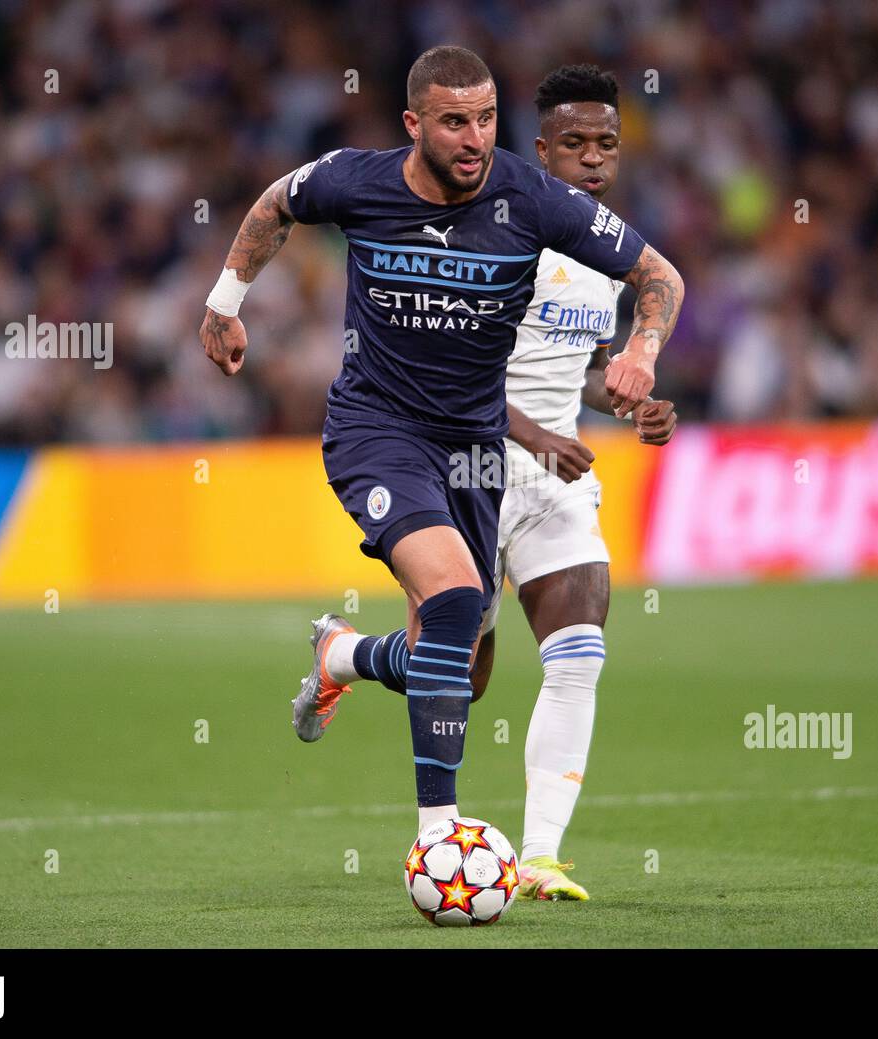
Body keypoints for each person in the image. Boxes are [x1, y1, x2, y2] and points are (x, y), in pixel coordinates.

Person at [201, 46, 684, 834]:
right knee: (459, 599)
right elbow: (275, 203)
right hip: (377, 432)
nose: (474, 138)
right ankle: (440, 836)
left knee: (461, 667)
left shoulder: (532, 202)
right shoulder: (357, 180)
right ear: (414, 124)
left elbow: (659, 275)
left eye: (487, 119)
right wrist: (225, 303)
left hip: (474, 452)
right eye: (455, 122)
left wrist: (640, 353)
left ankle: (344, 657)